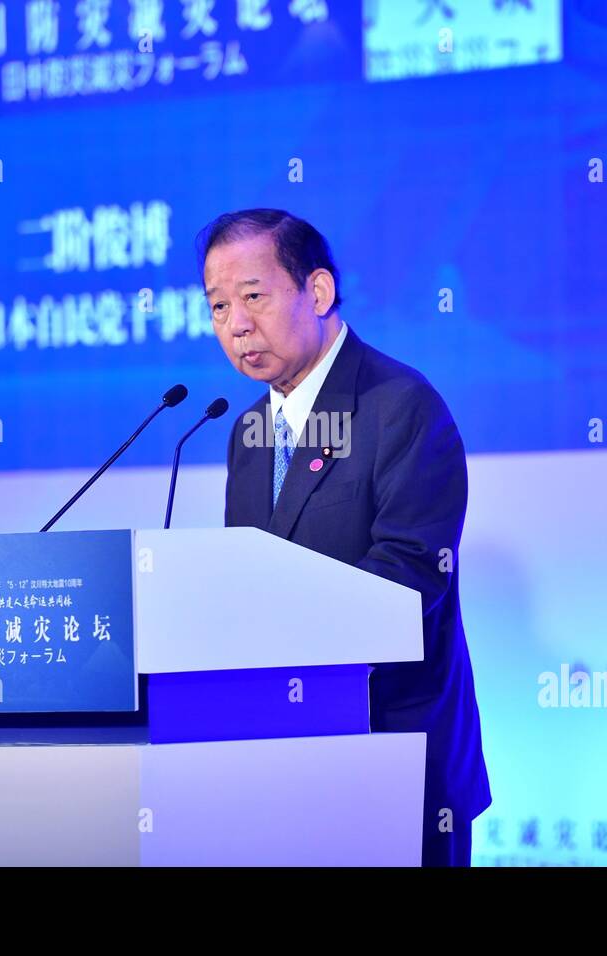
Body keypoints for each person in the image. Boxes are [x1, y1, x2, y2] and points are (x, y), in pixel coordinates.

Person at [199, 208, 491, 866]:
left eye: (252, 296)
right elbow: (246, 580)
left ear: (319, 291)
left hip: (392, 755)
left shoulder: (400, 405)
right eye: (218, 306)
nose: (235, 324)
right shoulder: (247, 433)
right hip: (280, 761)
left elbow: (411, 574)